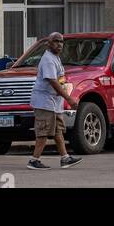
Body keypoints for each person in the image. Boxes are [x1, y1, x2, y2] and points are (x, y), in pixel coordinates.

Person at [27, 31, 80, 170]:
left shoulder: (55, 58)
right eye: (56, 41)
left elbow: (60, 80)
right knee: (44, 132)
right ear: (48, 43)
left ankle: (65, 158)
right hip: (45, 102)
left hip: (54, 103)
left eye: (61, 42)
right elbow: (54, 82)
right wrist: (69, 98)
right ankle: (34, 160)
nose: (59, 44)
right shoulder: (48, 60)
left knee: (57, 131)